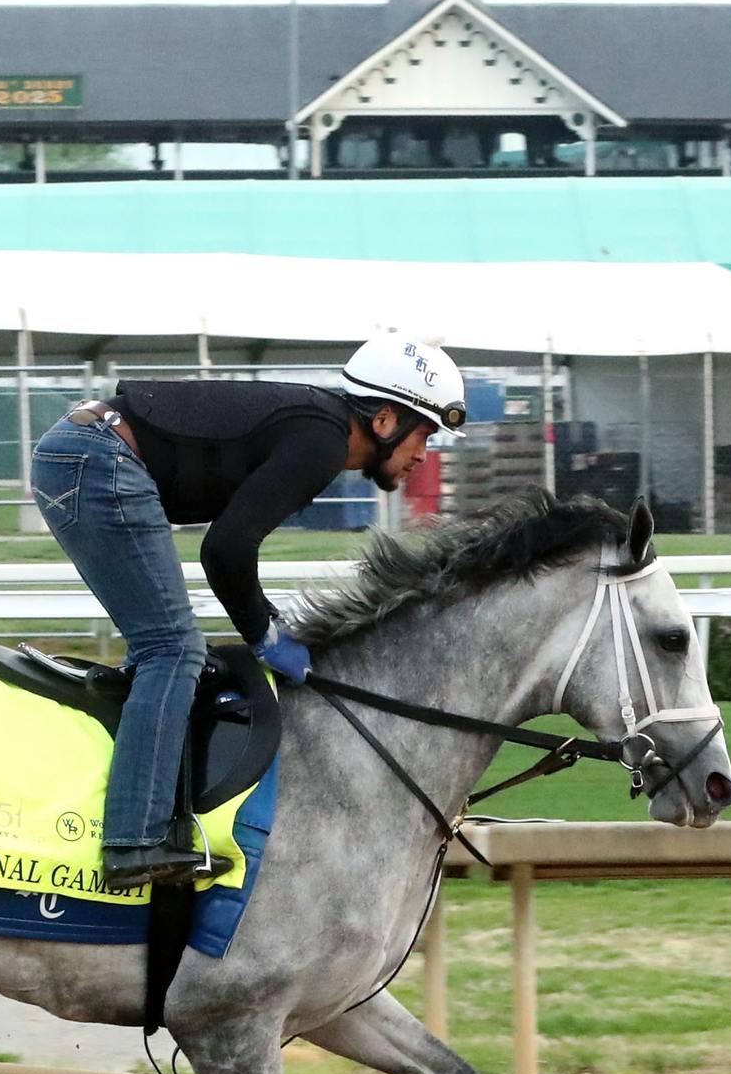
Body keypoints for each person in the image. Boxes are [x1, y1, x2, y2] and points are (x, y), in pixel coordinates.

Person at [30, 337, 465, 888]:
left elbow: (228, 548)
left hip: (82, 449)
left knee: (163, 647)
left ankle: (144, 809)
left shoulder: (318, 428)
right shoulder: (322, 443)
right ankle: (136, 839)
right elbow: (226, 549)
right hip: (96, 455)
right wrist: (267, 635)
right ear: (384, 420)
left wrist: (267, 624)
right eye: (425, 433)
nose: (425, 455)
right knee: (173, 648)